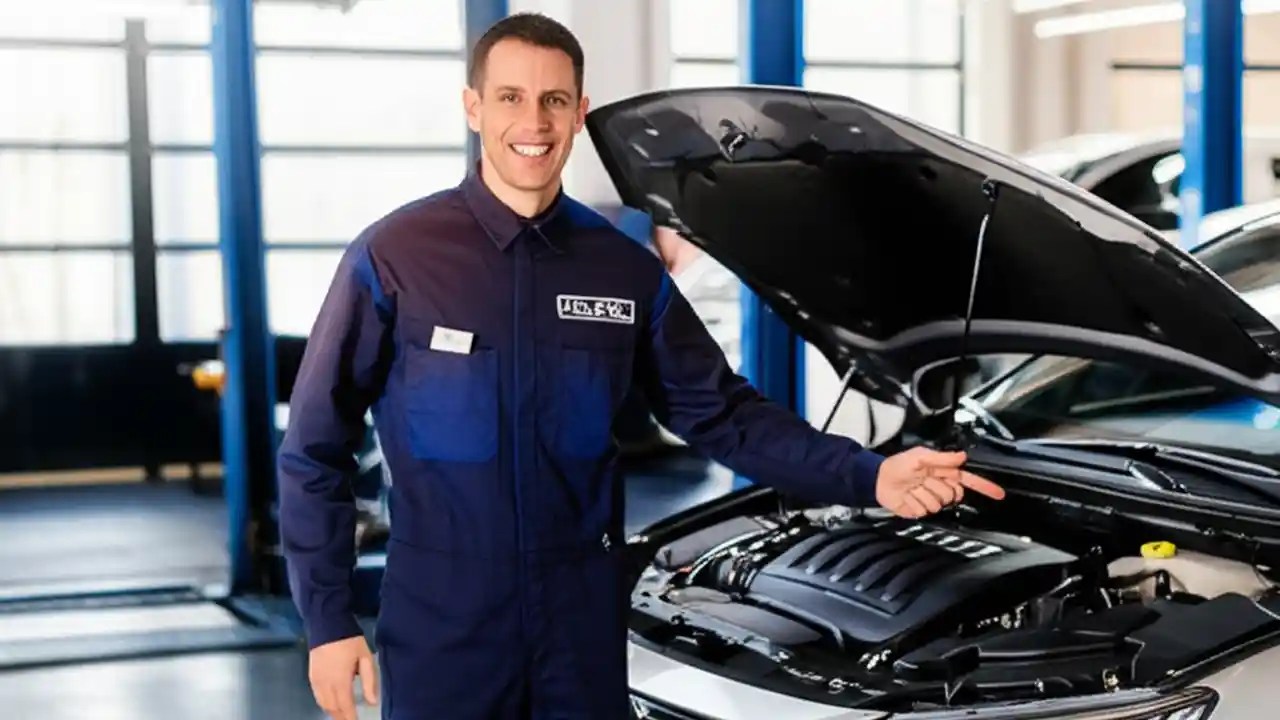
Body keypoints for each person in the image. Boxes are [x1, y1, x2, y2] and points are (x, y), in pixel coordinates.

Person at [276, 12, 1006, 720]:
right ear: (474, 107)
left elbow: (721, 413)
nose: (534, 122)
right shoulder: (396, 258)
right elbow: (314, 448)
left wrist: (869, 474)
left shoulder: (623, 270)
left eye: (553, 100)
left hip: (579, 625)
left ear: (579, 112)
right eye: (511, 97)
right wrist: (329, 619)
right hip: (444, 625)